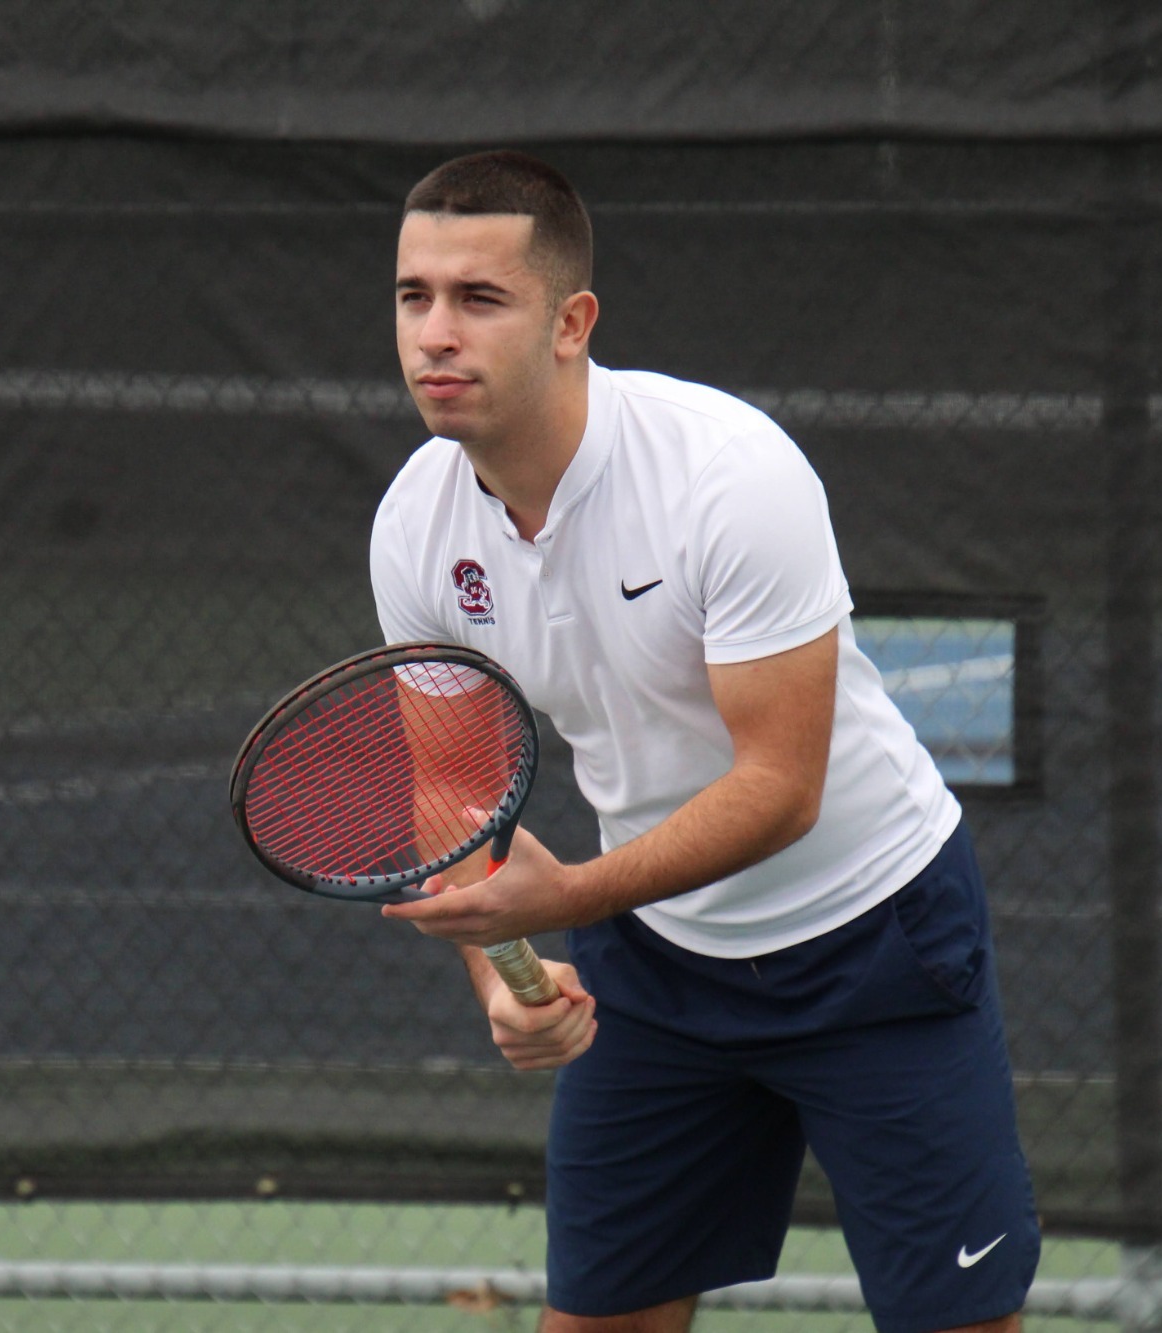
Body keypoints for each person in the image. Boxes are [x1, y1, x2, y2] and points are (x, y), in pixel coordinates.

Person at [370, 149, 1039, 1333]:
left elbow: (778, 788)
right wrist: (500, 973)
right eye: (412, 296)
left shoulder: (726, 475)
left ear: (571, 321)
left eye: (479, 299)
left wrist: (564, 890)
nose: (435, 334)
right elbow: (455, 794)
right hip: (656, 965)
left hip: (871, 938)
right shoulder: (415, 525)